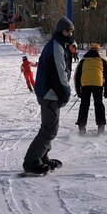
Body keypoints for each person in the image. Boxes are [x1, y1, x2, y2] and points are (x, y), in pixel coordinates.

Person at [23, 17, 74, 174]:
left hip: (48, 92)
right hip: (49, 93)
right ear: (60, 32)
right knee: (49, 129)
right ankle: (31, 160)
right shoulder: (56, 47)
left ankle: (42, 156)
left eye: (71, 31)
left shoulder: (57, 45)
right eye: (67, 31)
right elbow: (60, 73)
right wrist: (65, 93)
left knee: (49, 127)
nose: (70, 34)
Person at [74, 43, 107, 135]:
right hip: (98, 84)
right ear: (98, 51)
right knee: (98, 104)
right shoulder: (103, 61)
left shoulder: (83, 61)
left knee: (84, 105)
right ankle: (101, 126)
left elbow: (77, 76)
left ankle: (82, 127)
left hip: (85, 84)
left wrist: (78, 90)